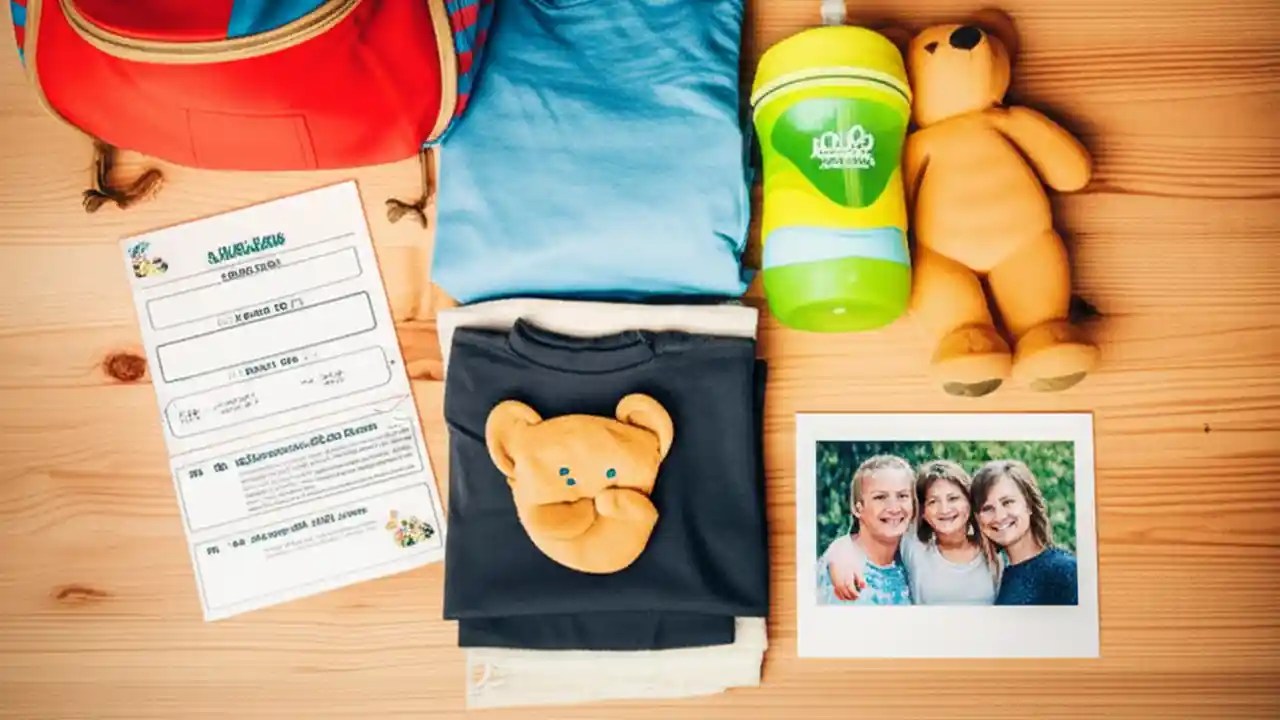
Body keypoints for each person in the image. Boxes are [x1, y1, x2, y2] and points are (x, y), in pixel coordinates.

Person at [825, 460, 1001, 605]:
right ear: (922, 511)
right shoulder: (914, 545)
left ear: (969, 503)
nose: (944, 509)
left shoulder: (992, 549)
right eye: (933, 501)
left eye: (953, 498)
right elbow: (867, 536)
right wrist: (840, 553)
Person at [971, 459, 1078, 605]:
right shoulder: (997, 578)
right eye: (987, 508)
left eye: (1007, 502)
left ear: (1029, 505)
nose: (999, 516)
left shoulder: (1065, 571)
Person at [815, 454, 914, 605]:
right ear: (857, 508)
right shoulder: (844, 575)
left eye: (902, 496)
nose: (894, 508)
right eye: (880, 497)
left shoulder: (912, 558)